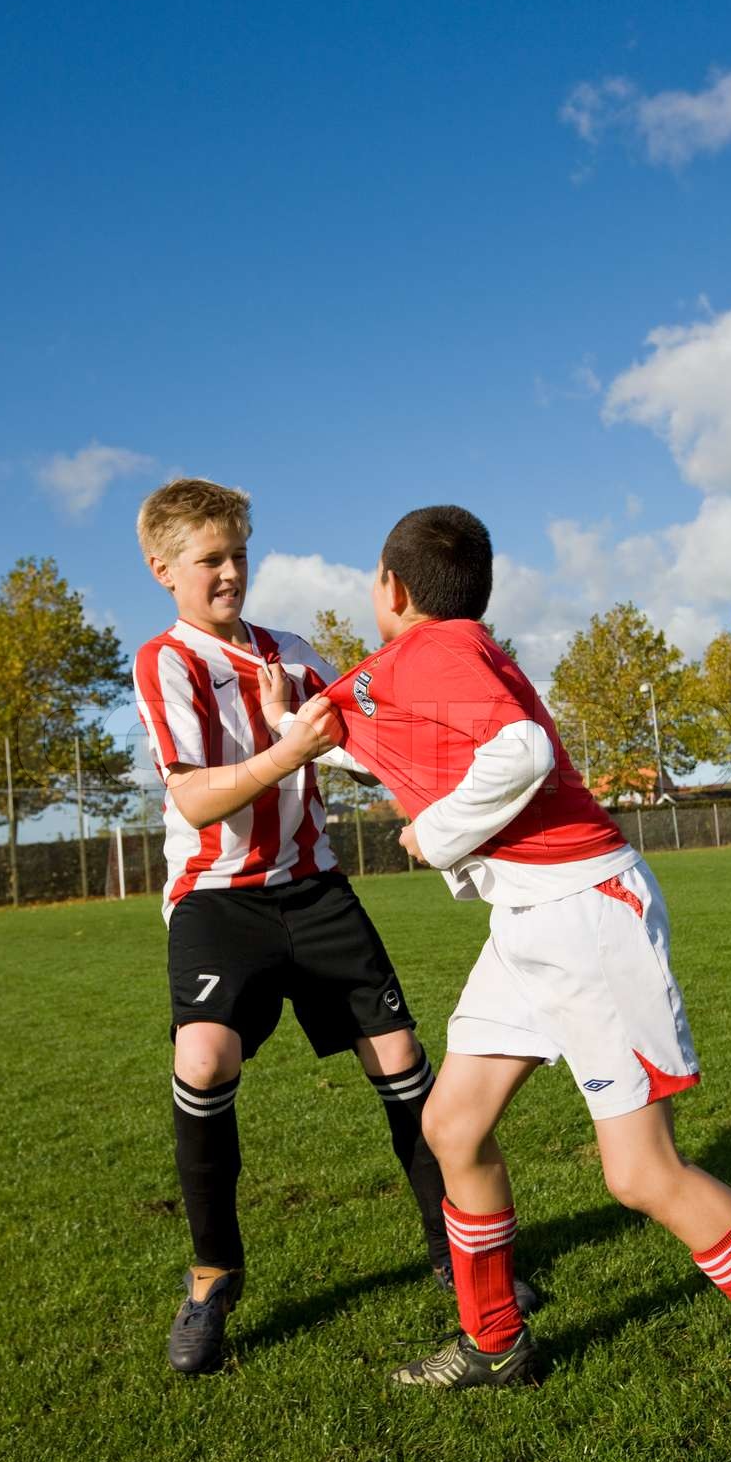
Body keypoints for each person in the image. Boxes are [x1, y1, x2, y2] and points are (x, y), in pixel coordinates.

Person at [324, 503, 731, 1462]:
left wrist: (436, 830)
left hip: (582, 914)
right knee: (452, 1125)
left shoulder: (435, 652)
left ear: (391, 590)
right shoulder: (443, 656)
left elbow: (521, 756)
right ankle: (495, 1340)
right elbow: (344, 720)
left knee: (638, 1172)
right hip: (533, 921)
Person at [132, 476, 455, 1375]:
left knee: (397, 1059)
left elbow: (364, 741)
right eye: (210, 560)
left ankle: (453, 1253)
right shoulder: (167, 660)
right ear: (163, 570)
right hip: (216, 899)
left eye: (239, 553)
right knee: (201, 1057)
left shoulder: (292, 650)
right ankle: (210, 1279)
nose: (231, 572)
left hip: (313, 890)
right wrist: (288, 747)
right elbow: (195, 798)